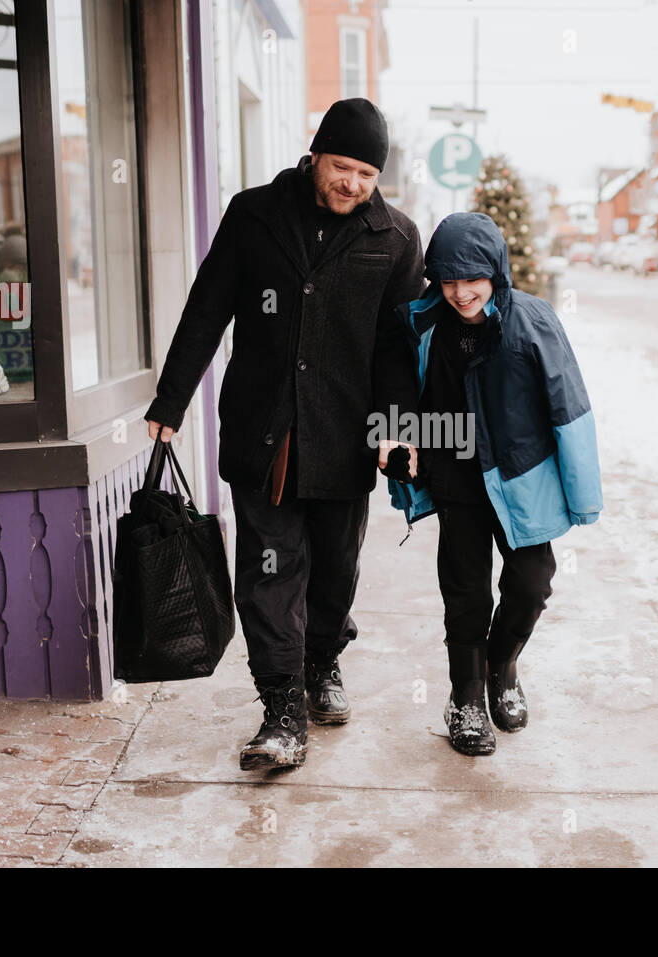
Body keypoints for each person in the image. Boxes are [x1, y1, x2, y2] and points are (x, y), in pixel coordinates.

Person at [145, 98, 424, 771]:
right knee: (268, 572)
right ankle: (282, 708)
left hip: (344, 435)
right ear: (315, 154)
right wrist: (172, 399)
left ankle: (323, 658)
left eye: (364, 172)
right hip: (262, 430)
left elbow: (398, 347)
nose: (351, 183)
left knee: (334, 571)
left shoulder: (396, 238)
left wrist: (397, 428)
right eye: (341, 166)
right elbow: (207, 308)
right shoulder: (255, 215)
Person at [384, 212, 602, 756]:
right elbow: (404, 389)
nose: (461, 293)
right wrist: (399, 439)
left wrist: (582, 492)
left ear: (496, 271)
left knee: (532, 582)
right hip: (455, 471)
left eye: (472, 279)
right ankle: (467, 695)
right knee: (465, 592)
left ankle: (502, 665)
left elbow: (568, 405)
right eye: (449, 281)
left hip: (520, 475)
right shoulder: (425, 321)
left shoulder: (532, 320)